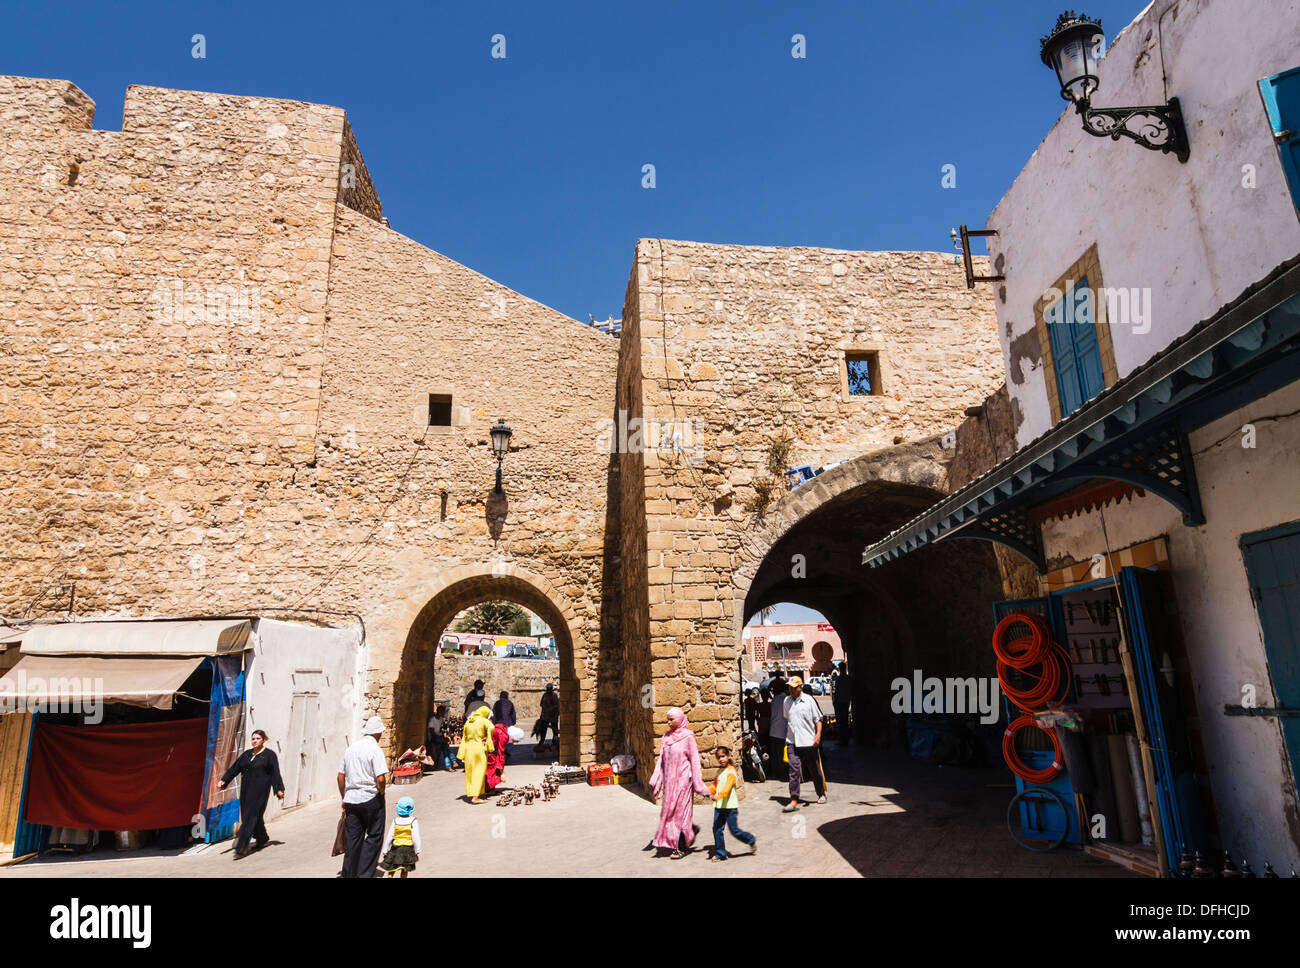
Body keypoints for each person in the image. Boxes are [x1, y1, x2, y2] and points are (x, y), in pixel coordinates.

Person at [649, 706, 710, 859]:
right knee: (669, 814)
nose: (669, 723)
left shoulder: (688, 736)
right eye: (667, 720)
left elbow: (694, 759)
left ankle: (681, 847)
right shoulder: (666, 737)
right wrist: (657, 779)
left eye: (671, 719)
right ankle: (683, 835)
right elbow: (662, 760)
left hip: (684, 781)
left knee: (681, 814)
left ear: (680, 719)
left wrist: (697, 782)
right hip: (671, 784)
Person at [218, 728, 285, 859]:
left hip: (260, 791)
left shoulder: (269, 755)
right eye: (253, 739)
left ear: (264, 739)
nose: (255, 741)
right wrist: (224, 780)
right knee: (254, 816)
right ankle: (262, 838)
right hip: (246, 791)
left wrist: (278, 789)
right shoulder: (247, 755)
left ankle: (241, 848)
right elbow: (235, 768)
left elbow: (275, 773)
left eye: (258, 738)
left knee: (249, 818)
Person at [338, 716, 389, 878]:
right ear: (378, 733)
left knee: (353, 838)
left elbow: (340, 776)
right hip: (371, 798)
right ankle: (364, 873)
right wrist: (381, 792)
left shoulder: (351, 749)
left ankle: (349, 873)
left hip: (351, 799)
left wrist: (344, 797)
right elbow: (381, 778)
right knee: (374, 836)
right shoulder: (375, 750)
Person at [781, 676, 827, 812]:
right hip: (792, 741)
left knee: (814, 769)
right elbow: (787, 718)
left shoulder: (809, 700)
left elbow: (818, 719)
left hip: (808, 741)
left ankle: (821, 793)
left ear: (800, 687)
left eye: (793, 687)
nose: (791, 690)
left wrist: (818, 735)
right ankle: (794, 800)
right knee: (794, 771)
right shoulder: (786, 701)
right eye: (789, 687)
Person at [708, 746, 756, 862]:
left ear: (728, 756)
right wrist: (706, 791)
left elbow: (727, 787)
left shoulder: (731, 772)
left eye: (723, 756)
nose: (721, 759)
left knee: (734, 830)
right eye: (718, 757)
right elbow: (715, 786)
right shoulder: (719, 771)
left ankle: (750, 839)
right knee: (717, 829)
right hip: (719, 806)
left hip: (730, 807)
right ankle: (721, 853)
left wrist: (720, 795)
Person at [457, 706, 495, 804]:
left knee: (470, 772)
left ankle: (474, 793)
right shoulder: (483, 721)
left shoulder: (468, 722)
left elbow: (464, 736)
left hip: (469, 748)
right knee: (479, 771)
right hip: (479, 749)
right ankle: (475, 797)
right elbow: (491, 727)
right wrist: (487, 737)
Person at [378, 795, 421, 878]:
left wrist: (385, 849)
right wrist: (418, 849)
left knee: (392, 868)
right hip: (408, 849)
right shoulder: (413, 821)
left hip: (395, 848)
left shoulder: (395, 821)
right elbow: (416, 836)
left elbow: (390, 836)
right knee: (404, 870)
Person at [767, 677, 789, 779]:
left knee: (775, 755)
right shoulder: (787, 699)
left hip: (773, 731)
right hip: (782, 731)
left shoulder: (775, 699)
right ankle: (783, 775)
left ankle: (775, 774)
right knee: (782, 755)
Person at [485, 716, 511, 792]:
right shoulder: (502, 733)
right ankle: (489, 790)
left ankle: (489, 789)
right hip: (490, 750)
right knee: (491, 770)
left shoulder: (497, 727)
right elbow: (501, 752)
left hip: (488, 749)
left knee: (490, 770)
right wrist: (502, 772)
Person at [832, 660, 854, 745]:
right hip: (846, 701)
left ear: (840, 669)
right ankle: (846, 739)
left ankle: (842, 740)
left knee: (840, 722)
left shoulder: (839, 679)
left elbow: (836, 691)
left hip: (840, 702)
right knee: (845, 721)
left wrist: (834, 701)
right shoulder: (848, 678)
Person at [427, 704, 453, 771]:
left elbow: (440, 730)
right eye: (443, 712)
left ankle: (449, 766)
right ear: (440, 712)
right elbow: (432, 733)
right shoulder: (432, 720)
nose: (444, 713)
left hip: (438, 737)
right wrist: (441, 737)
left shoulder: (441, 719)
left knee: (445, 748)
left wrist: (443, 736)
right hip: (433, 738)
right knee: (445, 746)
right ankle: (452, 761)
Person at [538, 683, 560, 748]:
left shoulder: (555, 696)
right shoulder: (544, 695)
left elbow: (557, 705)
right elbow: (541, 704)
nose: (548, 690)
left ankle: (555, 742)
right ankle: (542, 741)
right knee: (543, 729)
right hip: (545, 716)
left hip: (553, 716)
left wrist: (552, 708)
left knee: (554, 729)